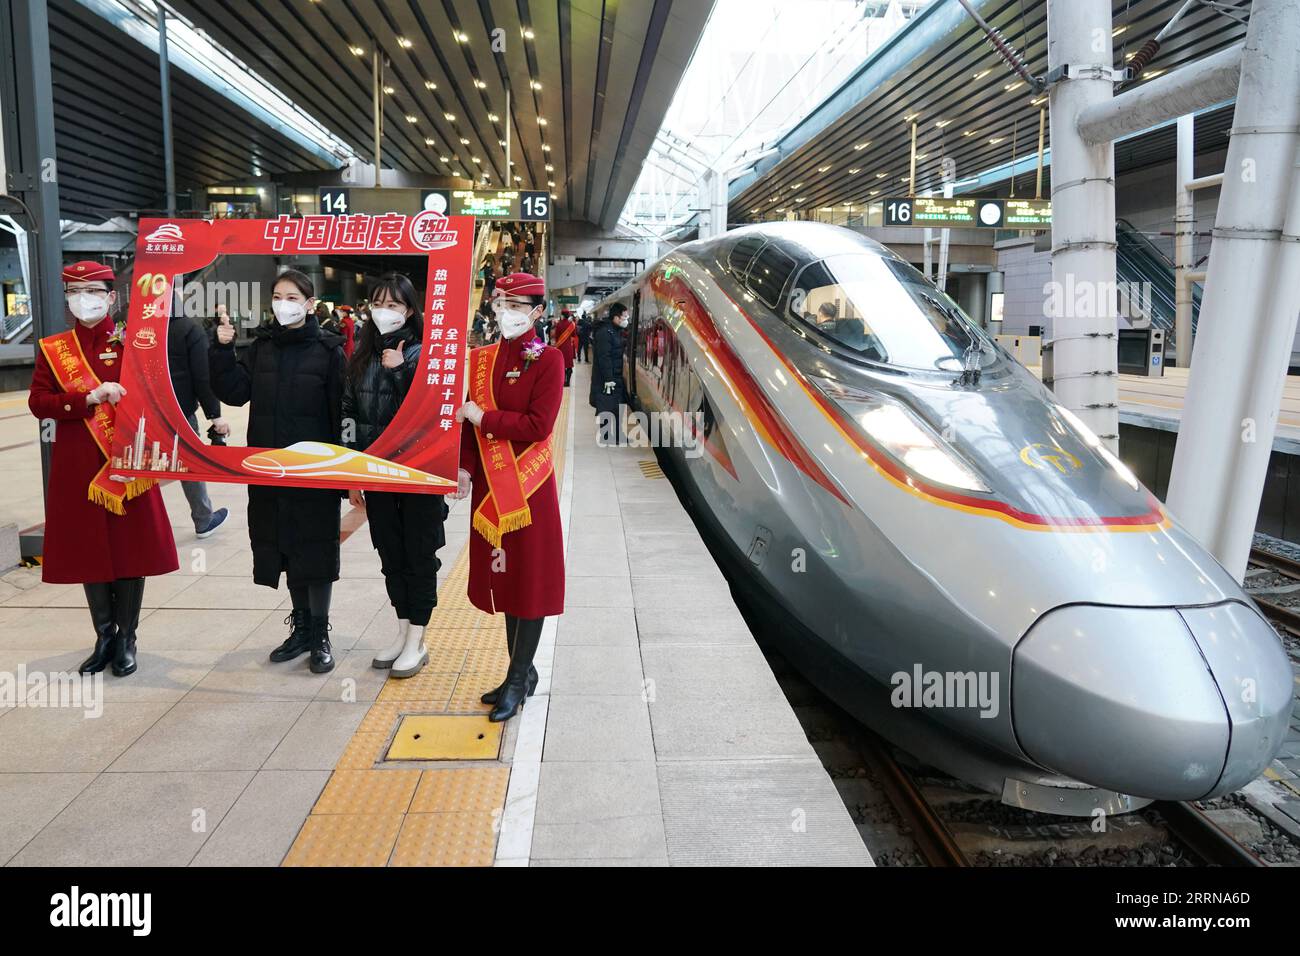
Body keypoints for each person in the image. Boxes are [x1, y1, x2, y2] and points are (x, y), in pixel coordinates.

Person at [28, 261, 179, 677]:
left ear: (112, 297)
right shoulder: (54, 348)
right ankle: (104, 636)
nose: (83, 300)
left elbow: (160, 396)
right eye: (75, 293)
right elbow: (38, 402)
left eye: (92, 291)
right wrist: (87, 399)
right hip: (78, 463)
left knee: (131, 547)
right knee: (88, 547)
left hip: (127, 460)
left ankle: (127, 637)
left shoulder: (136, 341)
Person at [210, 268, 345, 674]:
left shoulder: (328, 350)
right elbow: (234, 391)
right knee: (284, 545)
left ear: (308, 304)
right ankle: (300, 628)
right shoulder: (263, 347)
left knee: (316, 548)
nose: (283, 303)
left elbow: (342, 412)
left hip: (314, 471)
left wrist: (343, 471)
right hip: (268, 468)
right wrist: (222, 350)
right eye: (277, 296)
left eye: (292, 297)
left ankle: (320, 633)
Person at [452, 271, 564, 722]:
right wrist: (463, 468)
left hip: (530, 489)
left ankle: (518, 681)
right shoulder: (481, 359)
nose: (506, 313)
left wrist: (486, 418)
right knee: (505, 579)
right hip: (489, 490)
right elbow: (465, 419)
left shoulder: (549, 359)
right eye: (501, 303)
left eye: (517, 306)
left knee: (528, 581)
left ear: (537, 312)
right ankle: (520, 671)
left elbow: (539, 427)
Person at [342, 272, 447, 678]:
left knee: (420, 555)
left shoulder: (426, 353)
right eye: (378, 304)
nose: (385, 312)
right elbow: (348, 412)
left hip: (418, 474)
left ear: (410, 311)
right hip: (377, 472)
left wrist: (402, 369)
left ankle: (418, 639)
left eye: (395, 305)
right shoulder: (361, 355)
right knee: (390, 553)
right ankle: (403, 631)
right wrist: (351, 469)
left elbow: (430, 413)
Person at [169, 308, 229, 538]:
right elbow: (203, 375)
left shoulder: (129, 321)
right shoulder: (187, 328)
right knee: (189, 463)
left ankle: (136, 522)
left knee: (137, 462)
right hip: (179, 411)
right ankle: (203, 519)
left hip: (138, 409)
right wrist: (215, 415)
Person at [591, 303, 629, 444]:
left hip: (616, 375)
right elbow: (604, 357)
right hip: (607, 378)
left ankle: (618, 435)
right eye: (624, 316)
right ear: (616, 317)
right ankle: (606, 435)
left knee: (617, 406)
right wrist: (608, 378)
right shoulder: (604, 333)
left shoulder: (615, 330)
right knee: (607, 406)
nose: (626, 319)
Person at [550, 308, 578, 387]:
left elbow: (556, 336)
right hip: (569, 347)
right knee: (569, 365)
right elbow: (574, 335)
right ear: (569, 315)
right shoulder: (571, 324)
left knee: (562, 365)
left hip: (560, 347)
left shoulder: (558, 324)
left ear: (562, 315)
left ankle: (562, 381)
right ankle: (568, 382)